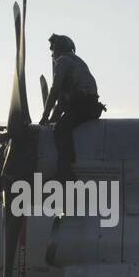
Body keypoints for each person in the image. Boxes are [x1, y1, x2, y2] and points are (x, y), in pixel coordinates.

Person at [41, 34, 104, 180]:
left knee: (61, 131)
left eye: (53, 49)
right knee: (61, 126)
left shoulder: (63, 61)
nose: (52, 53)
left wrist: (45, 117)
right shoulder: (76, 62)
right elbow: (62, 102)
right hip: (87, 105)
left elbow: (55, 90)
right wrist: (52, 119)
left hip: (83, 105)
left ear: (58, 48)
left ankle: (66, 172)